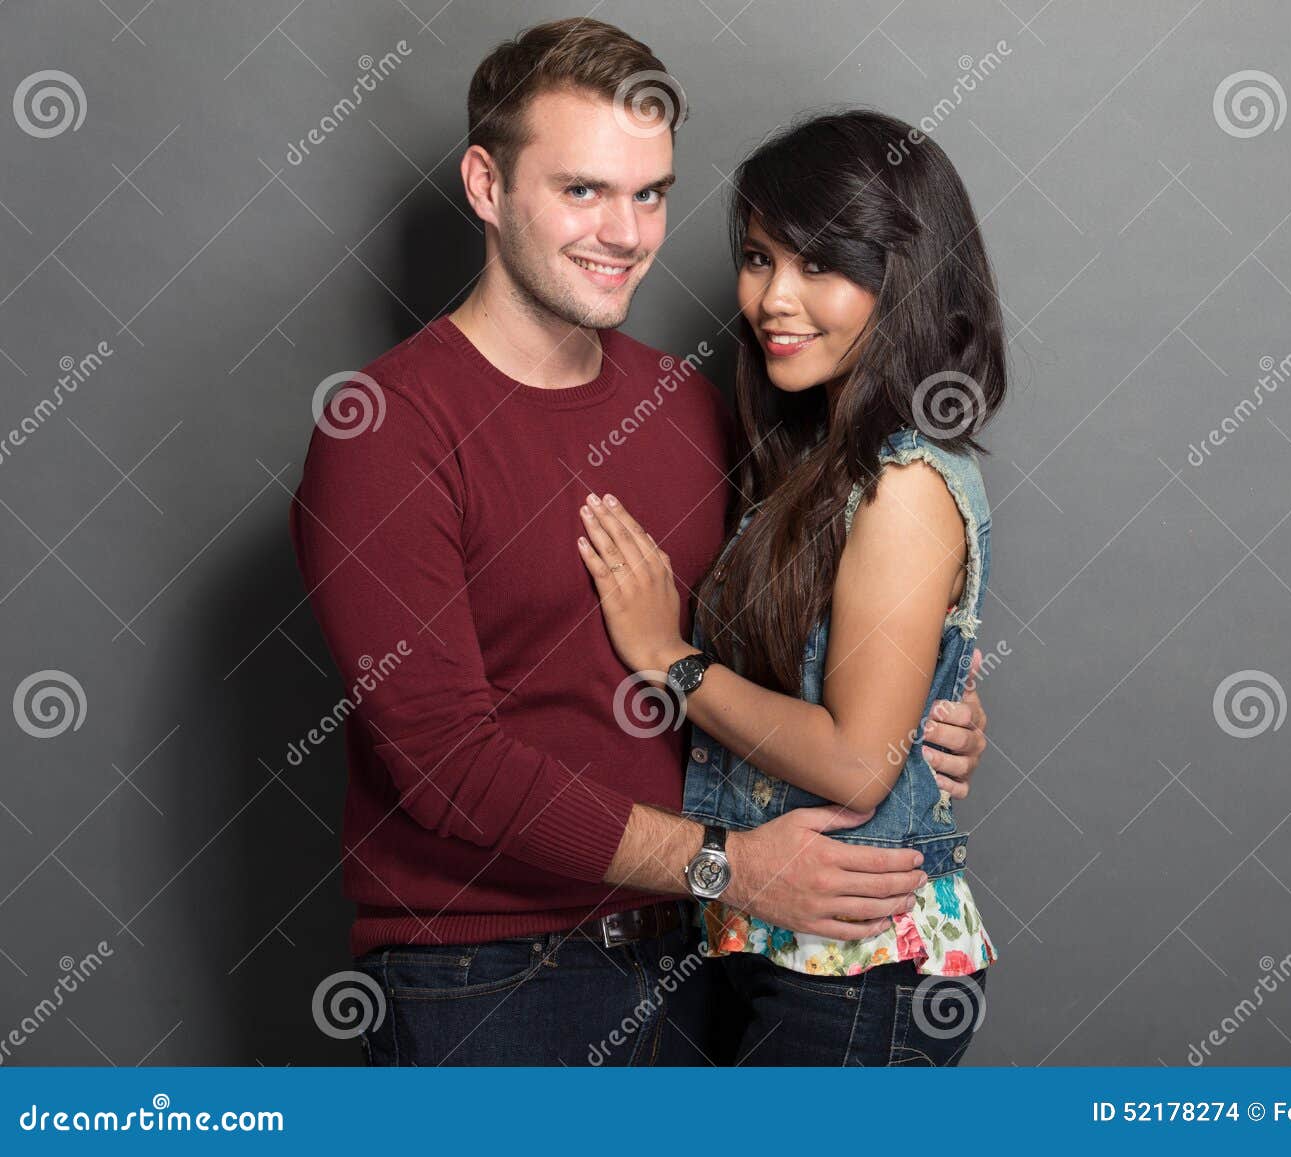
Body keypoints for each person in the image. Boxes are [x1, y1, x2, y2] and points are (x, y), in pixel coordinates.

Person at [288, 18, 991, 1066]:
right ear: (486, 187)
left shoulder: (684, 406)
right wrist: (729, 865)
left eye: (649, 193)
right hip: (494, 978)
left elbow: (788, 636)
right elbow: (444, 763)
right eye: (582, 190)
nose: (623, 232)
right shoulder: (384, 428)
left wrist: (928, 712)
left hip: (711, 960)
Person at [573, 108, 1006, 1065]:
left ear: (907, 274)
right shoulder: (811, 463)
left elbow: (859, 762)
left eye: (820, 264)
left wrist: (669, 660)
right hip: (775, 947)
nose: (775, 296)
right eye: (761, 256)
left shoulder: (903, 483)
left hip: (862, 969)